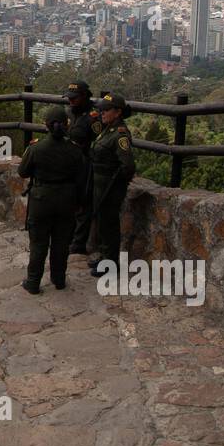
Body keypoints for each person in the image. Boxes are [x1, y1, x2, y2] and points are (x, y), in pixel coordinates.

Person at [17, 106, 87, 293]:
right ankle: (59, 279)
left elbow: (23, 172)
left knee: (38, 243)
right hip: (66, 200)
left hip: (41, 200)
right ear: (66, 125)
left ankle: (33, 282)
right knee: (61, 243)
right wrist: (80, 202)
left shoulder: (36, 148)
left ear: (46, 125)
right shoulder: (74, 150)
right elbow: (81, 179)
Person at [87, 91, 135, 273]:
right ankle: (104, 255)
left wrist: (116, 186)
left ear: (118, 112)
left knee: (109, 223)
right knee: (102, 222)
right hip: (100, 184)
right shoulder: (108, 130)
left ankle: (111, 263)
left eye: (106, 110)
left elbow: (128, 165)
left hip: (110, 187)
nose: (102, 113)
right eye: (102, 110)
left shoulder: (120, 135)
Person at [64, 80, 100, 256]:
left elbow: (99, 141)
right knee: (69, 201)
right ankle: (68, 238)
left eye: (74, 98)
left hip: (86, 164)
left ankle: (78, 243)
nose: (71, 101)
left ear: (84, 96)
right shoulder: (70, 112)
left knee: (84, 204)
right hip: (69, 162)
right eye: (69, 98)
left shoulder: (93, 117)